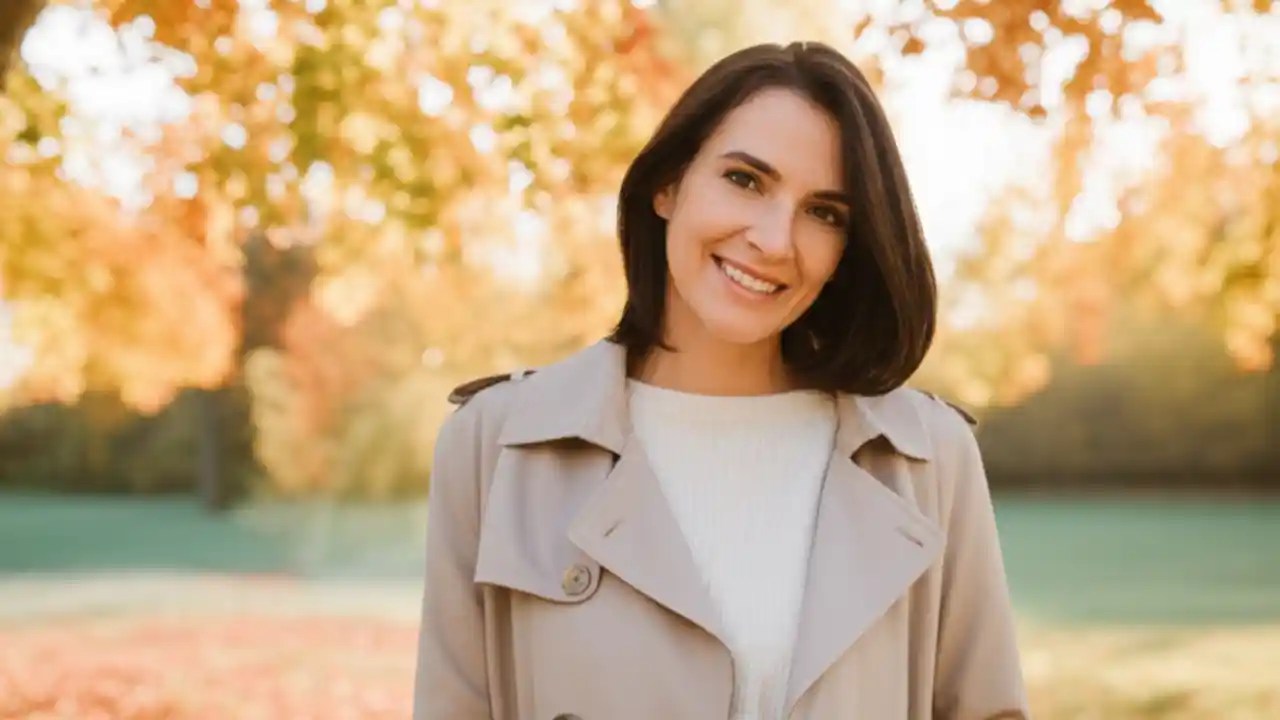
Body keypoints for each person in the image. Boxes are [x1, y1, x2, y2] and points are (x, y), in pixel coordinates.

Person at [413, 40, 1029, 720]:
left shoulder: (927, 460)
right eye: (745, 180)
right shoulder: (497, 445)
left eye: (824, 213)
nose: (773, 239)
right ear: (668, 185)